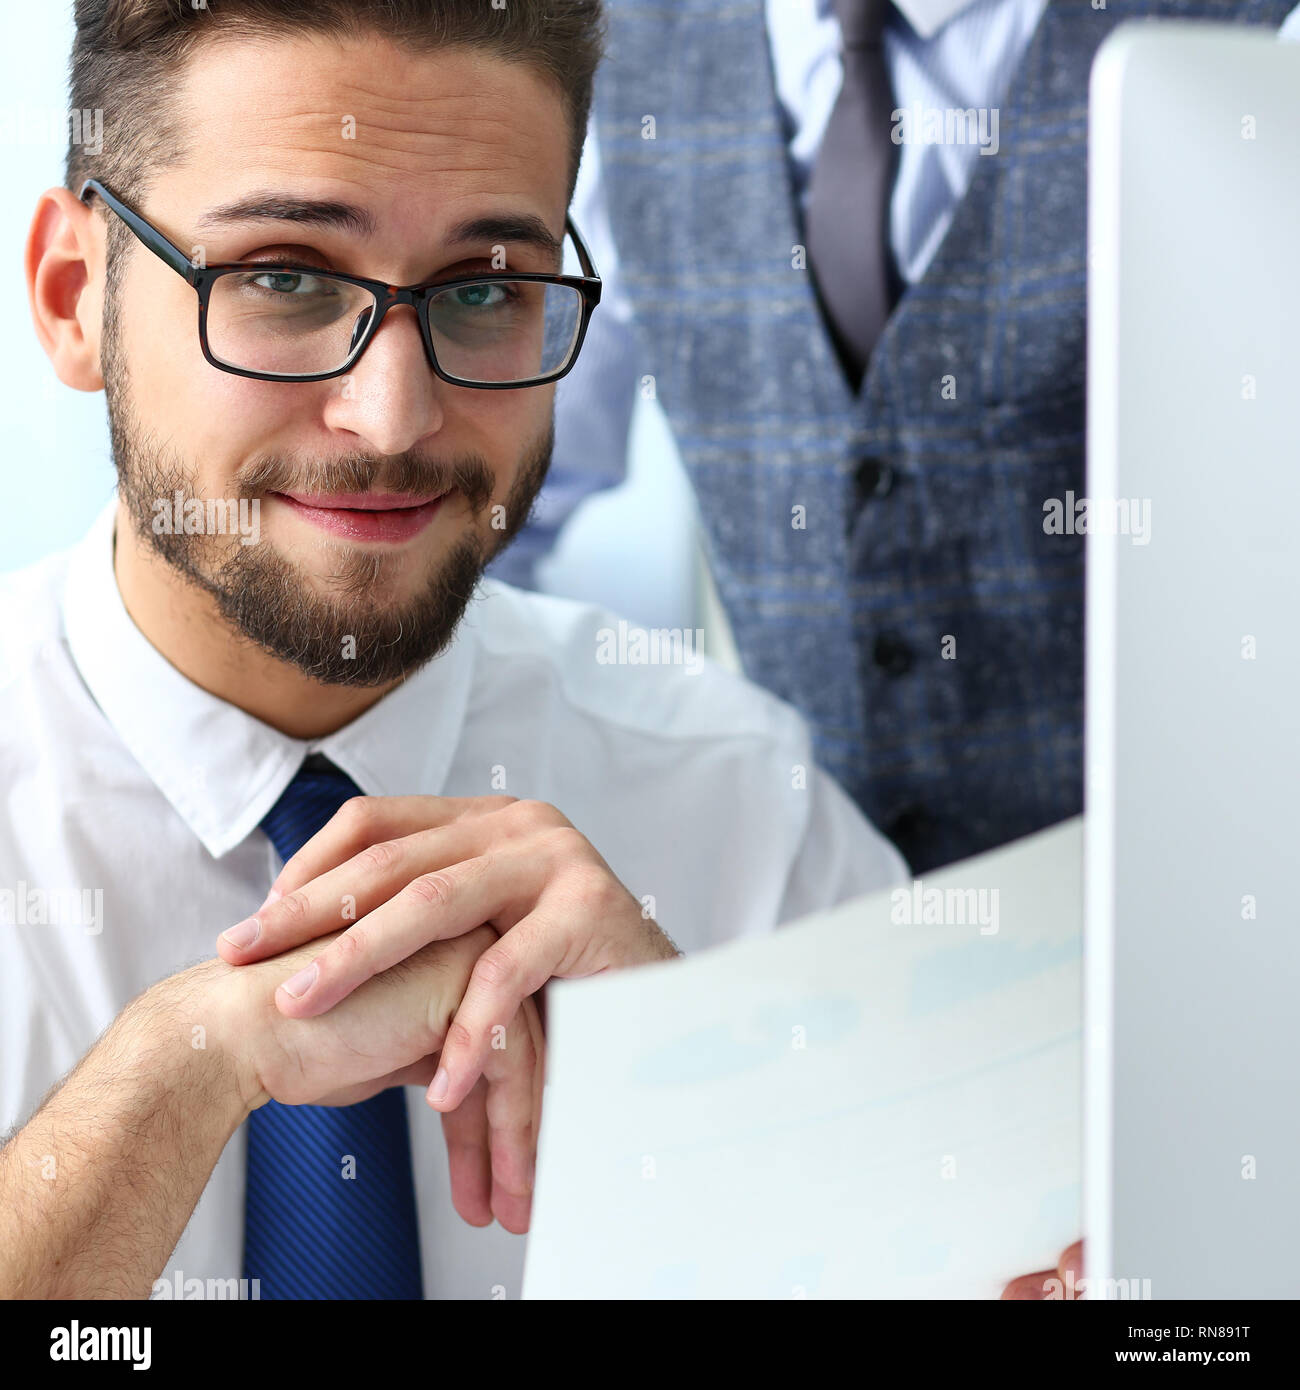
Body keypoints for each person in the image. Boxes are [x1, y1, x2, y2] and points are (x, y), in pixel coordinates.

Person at [0, 0, 906, 1300]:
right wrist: (185, 1066)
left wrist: (712, 1085)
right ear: (74, 294)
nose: (394, 416)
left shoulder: (737, 814)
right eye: (289, 276)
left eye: (485, 289)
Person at [494, 0, 1300, 879]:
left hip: (1179, 898)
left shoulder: (1258, 39)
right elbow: (490, 507)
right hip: (797, 918)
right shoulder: (621, 47)